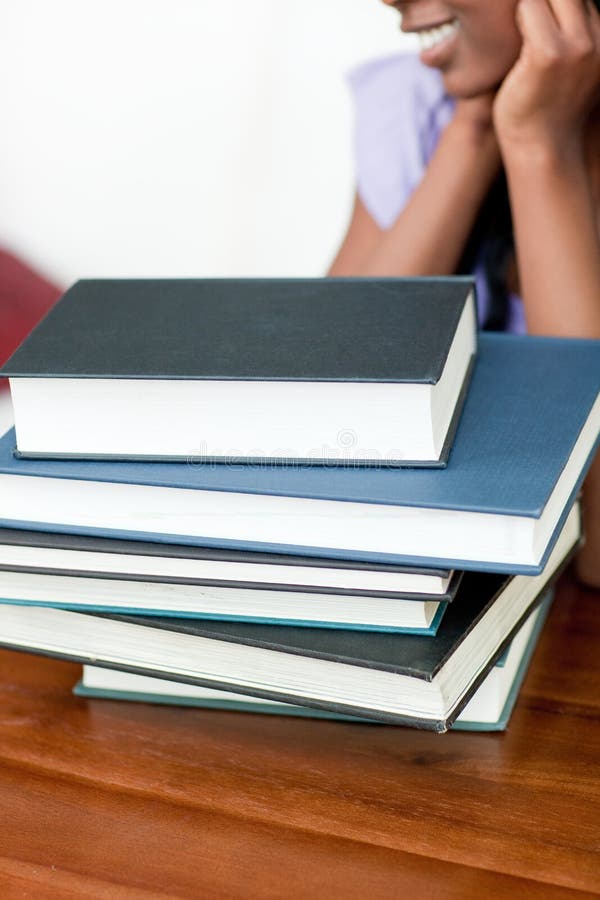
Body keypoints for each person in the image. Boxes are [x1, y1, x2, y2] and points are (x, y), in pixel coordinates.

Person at [329, 0, 600, 588]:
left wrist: (538, 147)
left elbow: (596, 549)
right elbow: (319, 431)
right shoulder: (416, 106)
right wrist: (473, 130)